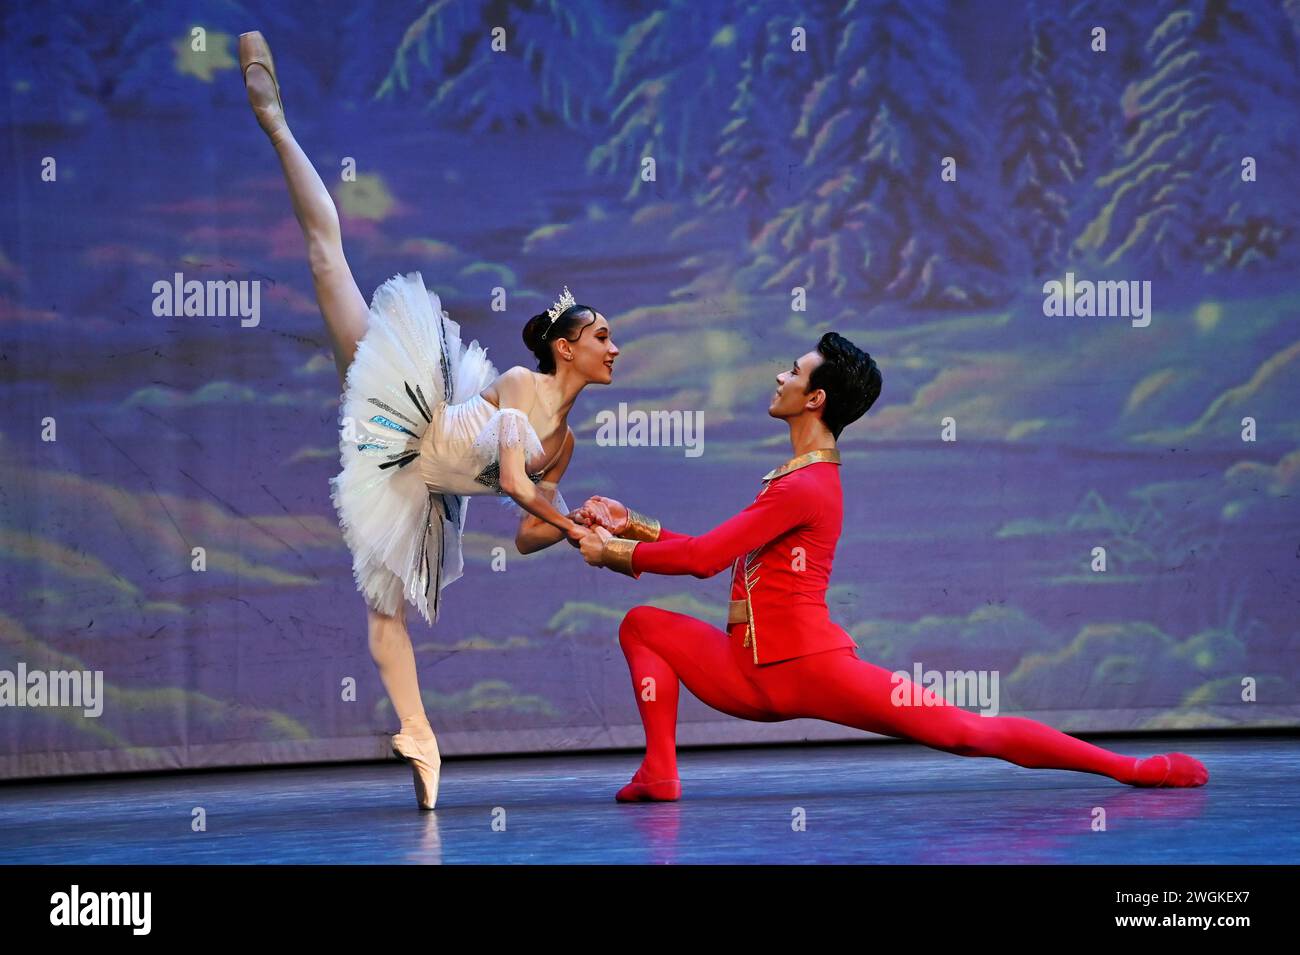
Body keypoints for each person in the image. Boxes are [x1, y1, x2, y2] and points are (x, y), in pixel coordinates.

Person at [576, 333, 1209, 800]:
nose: (779, 377)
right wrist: (632, 525)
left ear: (814, 398)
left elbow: (705, 559)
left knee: (964, 732)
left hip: (808, 670)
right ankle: (660, 771)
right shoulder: (793, 480)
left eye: (791, 372)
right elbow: (724, 551)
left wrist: (613, 551)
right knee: (643, 626)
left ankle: (1131, 769)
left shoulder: (807, 486)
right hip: (748, 671)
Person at [239, 32, 618, 810]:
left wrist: (575, 518)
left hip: (419, 482)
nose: (616, 346)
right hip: (406, 410)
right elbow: (514, 483)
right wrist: (576, 524)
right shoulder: (519, 384)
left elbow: (525, 530)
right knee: (326, 260)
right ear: (565, 347)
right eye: (603, 335)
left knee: (386, 613)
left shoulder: (566, 440)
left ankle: (418, 733)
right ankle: (275, 118)